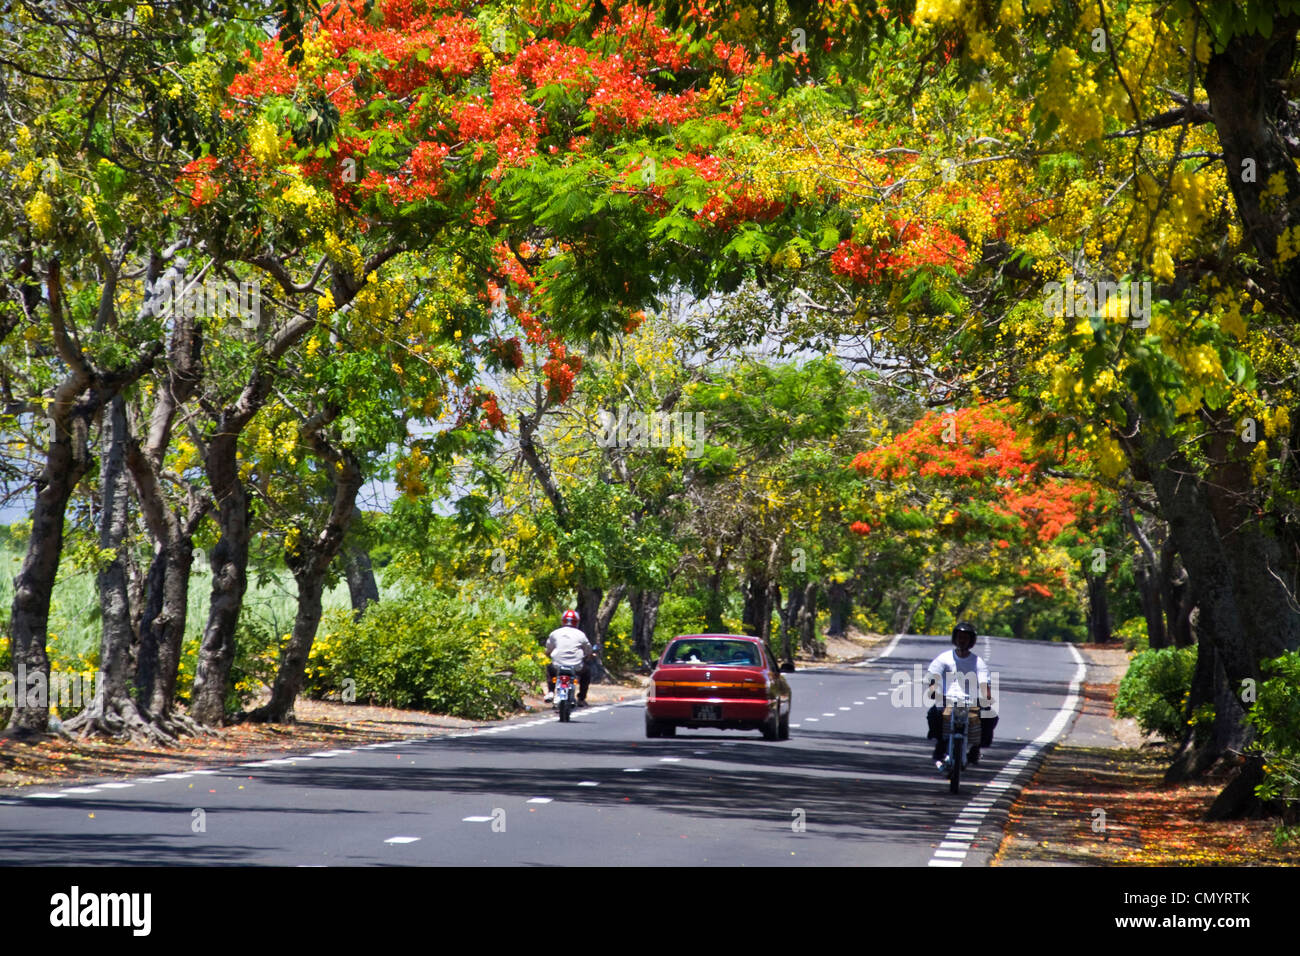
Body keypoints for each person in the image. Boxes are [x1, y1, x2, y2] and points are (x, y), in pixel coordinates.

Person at [925, 621, 998, 769]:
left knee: (990, 717)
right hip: (947, 700)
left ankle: (975, 748)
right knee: (934, 714)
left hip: (970, 702)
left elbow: (985, 684)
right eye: (959, 637)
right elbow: (933, 676)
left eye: (965, 637)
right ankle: (940, 743)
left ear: (971, 641)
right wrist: (934, 691)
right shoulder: (944, 658)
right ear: (954, 638)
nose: (962, 640)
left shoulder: (978, 663)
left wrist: (986, 698)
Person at [544, 609, 595, 706]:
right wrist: (590, 655)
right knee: (586, 673)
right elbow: (588, 649)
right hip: (576, 666)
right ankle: (581, 698)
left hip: (557, 665)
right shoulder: (581, 634)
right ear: (576, 622)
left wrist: (547, 653)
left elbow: (548, 648)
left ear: (563, 621)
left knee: (550, 669)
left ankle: (551, 692)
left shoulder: (555, 633)